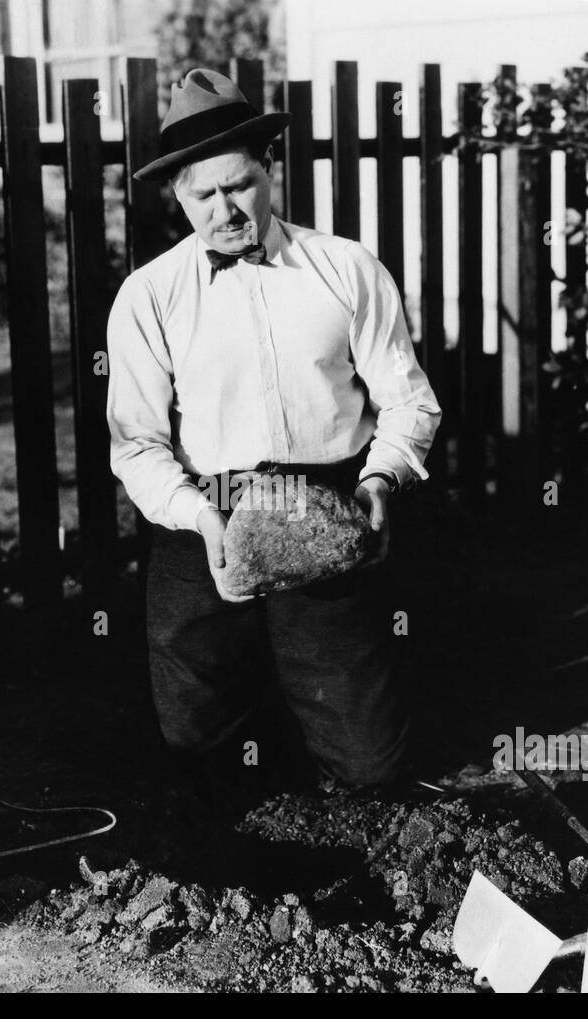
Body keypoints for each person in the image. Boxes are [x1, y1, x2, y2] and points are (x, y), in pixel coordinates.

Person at [106, 68, 441, 794]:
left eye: (241, 185)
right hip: (207, 515)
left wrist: (381, 477)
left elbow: (409, 400)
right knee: (198, 756)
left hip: (325, 512)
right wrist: (203, 520)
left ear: (268, 169)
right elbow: (136, 443)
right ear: (178, 195)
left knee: (371, 767)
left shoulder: (345, 267)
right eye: (206, 194)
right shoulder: (149, 297)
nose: (228, 208)